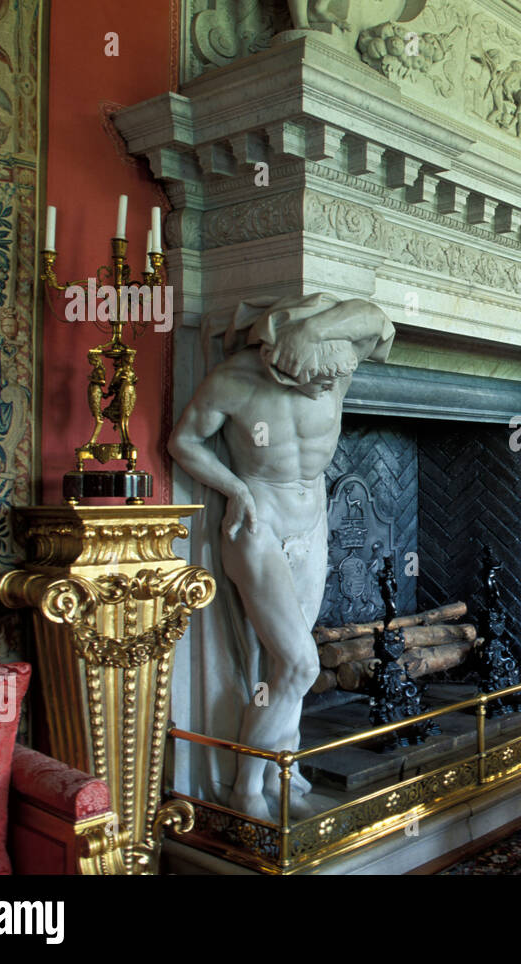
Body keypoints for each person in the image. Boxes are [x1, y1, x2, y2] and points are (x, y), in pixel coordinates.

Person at [169, 294, 394, 822]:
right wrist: (235, 489)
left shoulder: (329, 365)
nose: (327, 389)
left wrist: (312, 330)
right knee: (300, 664)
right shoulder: (235, 380)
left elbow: (380, 324)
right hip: (257, 529)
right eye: (315, 380)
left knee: (283, 667)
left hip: (312, 525)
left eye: (330, 381)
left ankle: (281, 772)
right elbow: (184, 442)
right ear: (282, 363)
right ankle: (247, 788)